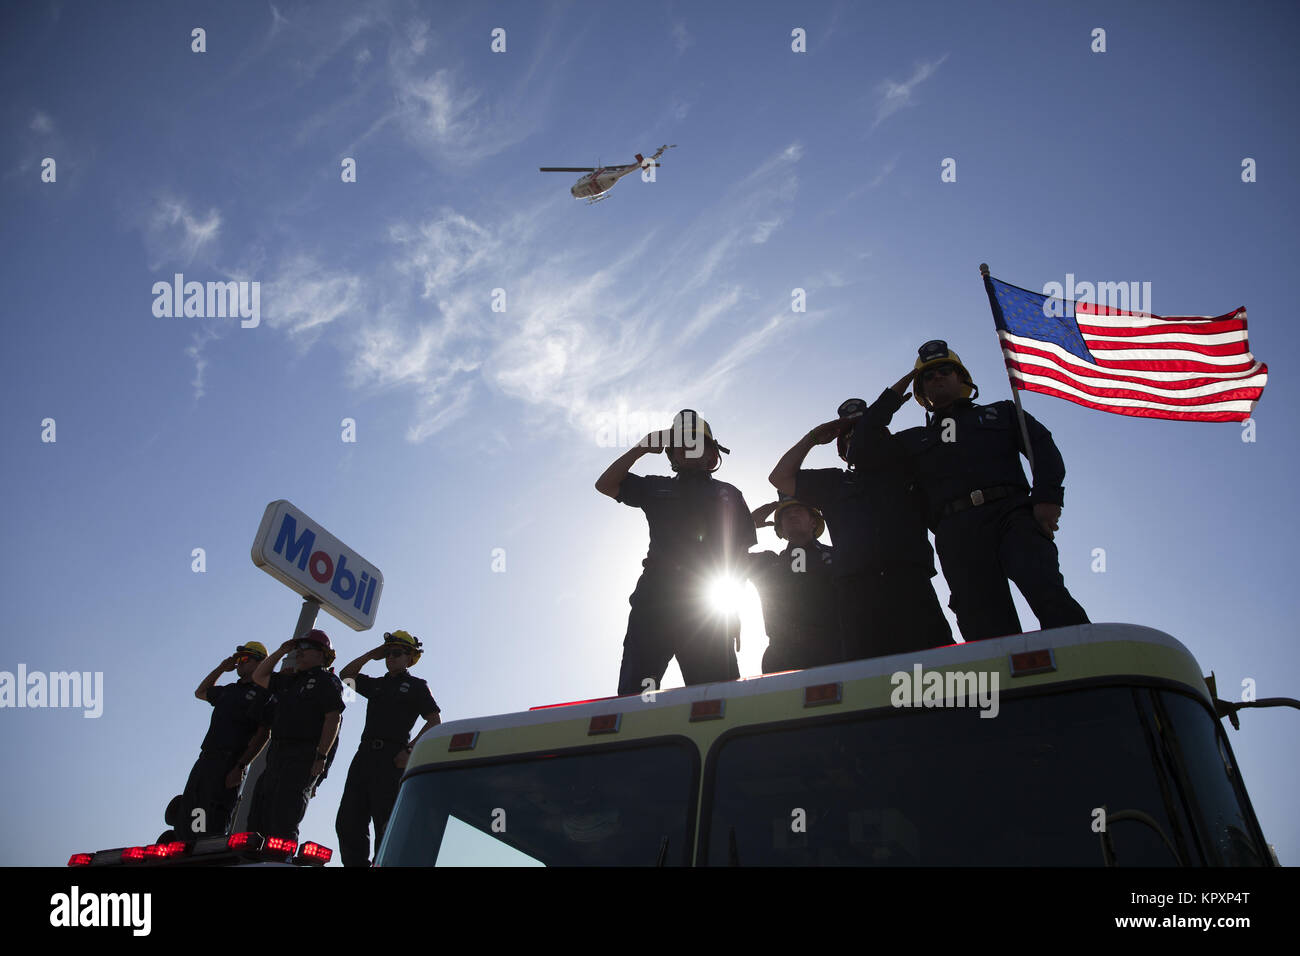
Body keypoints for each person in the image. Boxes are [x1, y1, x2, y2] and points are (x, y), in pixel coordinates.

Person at [893, 339, 1089, 641]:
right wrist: (899, 388)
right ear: (921, 391)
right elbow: (864, 450)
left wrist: (1048, 497)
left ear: (962, 379)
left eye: (945, 371)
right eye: (927, 376)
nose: (937, 378)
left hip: (1013, 514)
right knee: (980, 616)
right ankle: (999, 672)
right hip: (956, 530)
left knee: (1043, 584)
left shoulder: (1004, 412)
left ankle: (1082, 651)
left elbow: (1042, 446)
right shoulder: (909, 441)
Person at [770, 383, 952, 660]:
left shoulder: (909, 471)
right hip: (857, 596)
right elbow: (779, 477)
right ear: (842, 451)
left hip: (911, 585)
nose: (859, 440)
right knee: (866, 679)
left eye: (866, 431)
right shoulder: (833, 483)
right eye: (849, 436)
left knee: (939, 671)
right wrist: (813, 438)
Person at [596, 410, 756, 696]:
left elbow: (740, 556)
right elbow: (606, 485)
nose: (689, 448)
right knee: (636, 696)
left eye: (696, 442)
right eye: (682, 443)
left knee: (719, 697)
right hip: (654, 603)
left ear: (712, 454)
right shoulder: (656, 486)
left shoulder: (729, 493)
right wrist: (641, 448)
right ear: (672, 455)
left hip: (707, 607)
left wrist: (732, 610)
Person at [335, 630, 441, 867]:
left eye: (397, 653)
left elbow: (434, 721)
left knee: (385, 822)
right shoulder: (377, 685)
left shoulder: (417, 686)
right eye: (388, 653)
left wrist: (409, 752)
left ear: (410, 658)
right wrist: (372, 654)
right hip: (364, 756)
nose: (391, 657)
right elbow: (346, 676)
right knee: (348, 820)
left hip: (391, 759)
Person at [246, 629, 345, 842]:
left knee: (284, 820)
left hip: (303, 756)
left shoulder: (327, 680)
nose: (299, 652)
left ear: (321, 654)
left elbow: (333, 719)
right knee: (257, 818)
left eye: (306, 647)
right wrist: (281, 651)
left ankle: (281, 858)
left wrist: (321, 758)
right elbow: (259, 676)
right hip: (276, 755)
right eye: (298, 648)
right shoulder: (289, 680)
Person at [175, 643, 271, 839]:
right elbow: (201, 692)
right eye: (238, 659)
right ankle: (188, 844)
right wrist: (221, 668)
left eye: (245, 659)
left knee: (214, 816)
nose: (239, 663)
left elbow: (263, 734)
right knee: (194, 808)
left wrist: (240, 766)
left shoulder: (263, 693)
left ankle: (205, 849)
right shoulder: (229, 690)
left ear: (260, 663)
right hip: (206, 758)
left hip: (229, 763)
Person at [748, 496, 841, 672]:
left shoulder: (839, 557)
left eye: (798, 511)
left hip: (834, 652)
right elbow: (719, 556)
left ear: (813, 522)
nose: (792, 515)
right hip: (781, 658)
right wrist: (748, 524)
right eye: (786, 515)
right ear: (780, 529)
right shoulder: (767, 563)